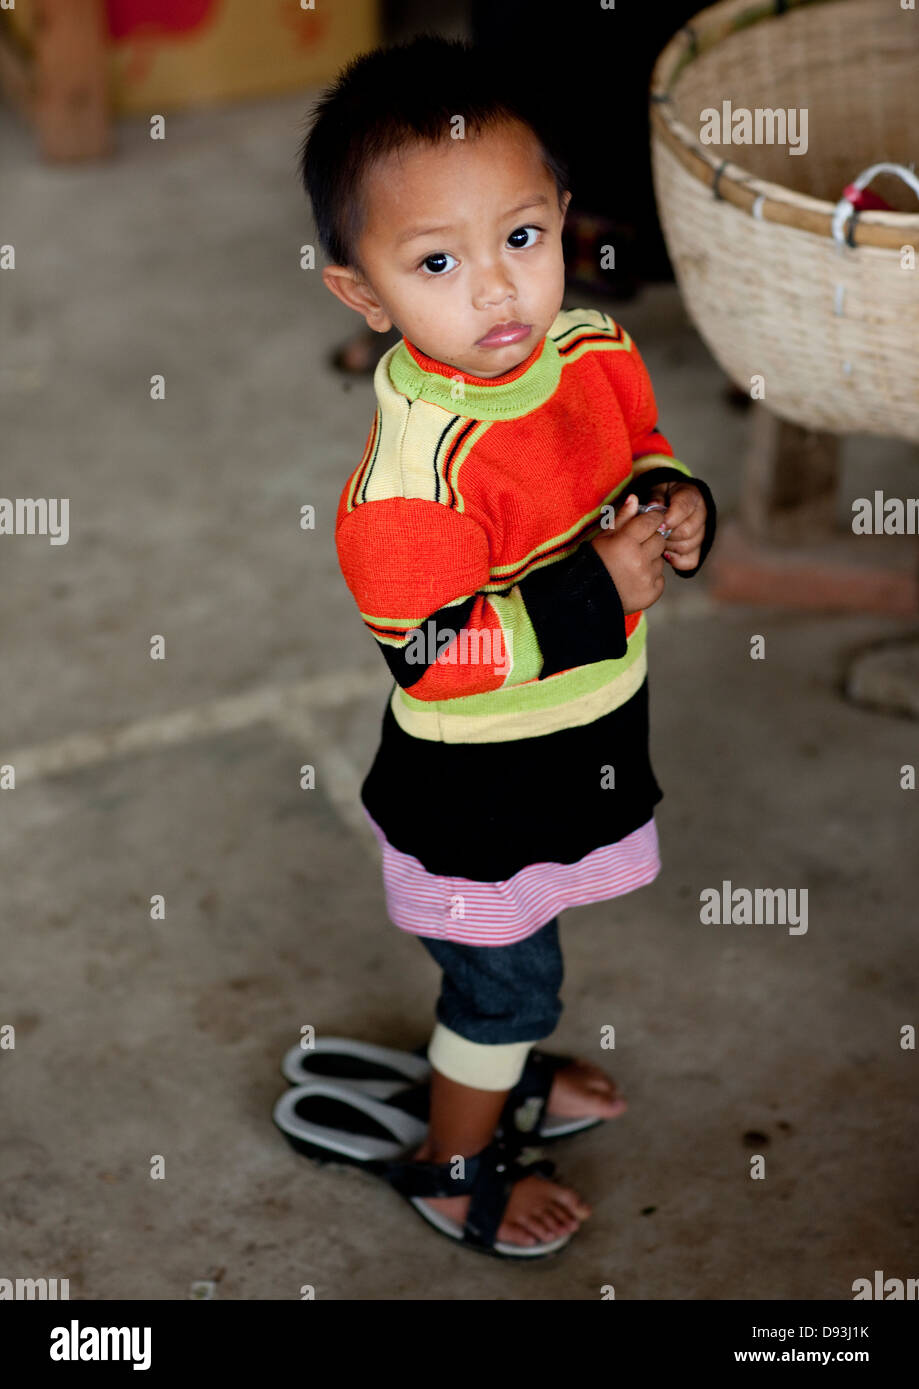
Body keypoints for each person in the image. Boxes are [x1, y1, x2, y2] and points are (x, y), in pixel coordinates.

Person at [298, 35, 717, 1256]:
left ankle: (499, 1068)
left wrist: (677, 498)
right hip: (475, 788)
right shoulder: (410, 478)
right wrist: (597, 585)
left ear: (564, 221)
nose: (496, 291)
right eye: (436, 261)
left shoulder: (586, 352)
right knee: (507, 979)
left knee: (528, 946)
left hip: (575, 739)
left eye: (520, 239)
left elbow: (633, 450)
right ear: (363, 293)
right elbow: (433, 651)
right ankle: (455, 1155)